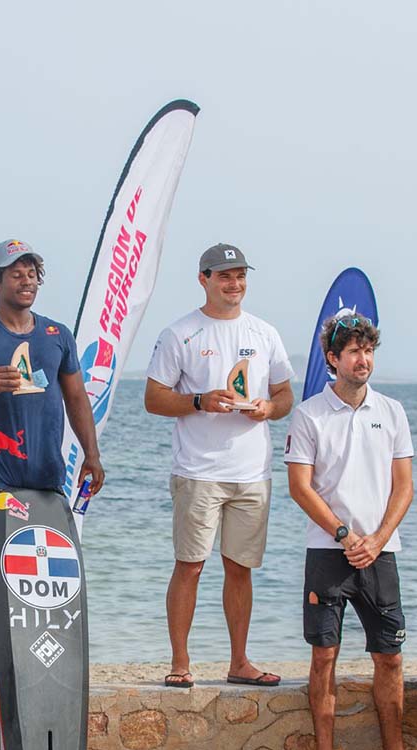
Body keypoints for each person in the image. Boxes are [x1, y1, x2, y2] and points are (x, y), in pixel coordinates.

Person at [0, 239, 104, 690]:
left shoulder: (55, 335)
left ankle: (37, 664)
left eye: (32, 273)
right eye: (15, 273)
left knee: (43, 577)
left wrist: (92, 454)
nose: (25, 280)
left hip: (44, 479)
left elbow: (76, 397)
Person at [284, 313, 417, 750]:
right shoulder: (309, 414)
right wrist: (346, 535)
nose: (362, 359)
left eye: (368, 351)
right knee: (324, 655)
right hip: (328, 553)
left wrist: (378, 538)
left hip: (381, 554)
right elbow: (300, 488)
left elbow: (404, 487)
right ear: (333, 359)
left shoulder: (392, 412)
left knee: (389, 657)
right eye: (352, 351)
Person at [144, 245, 293, 690]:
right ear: (203, 279)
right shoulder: (181, 333)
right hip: (198, 471)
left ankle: (240, 661)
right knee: (189, 565)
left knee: (240, 568)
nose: (234, 284)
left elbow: (285, 394)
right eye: (225, 276)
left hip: (252, 474)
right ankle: (180, 661)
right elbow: (153, 399)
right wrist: (198, 401)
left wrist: (268, 408)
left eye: (241, 275)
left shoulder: (265, 333)